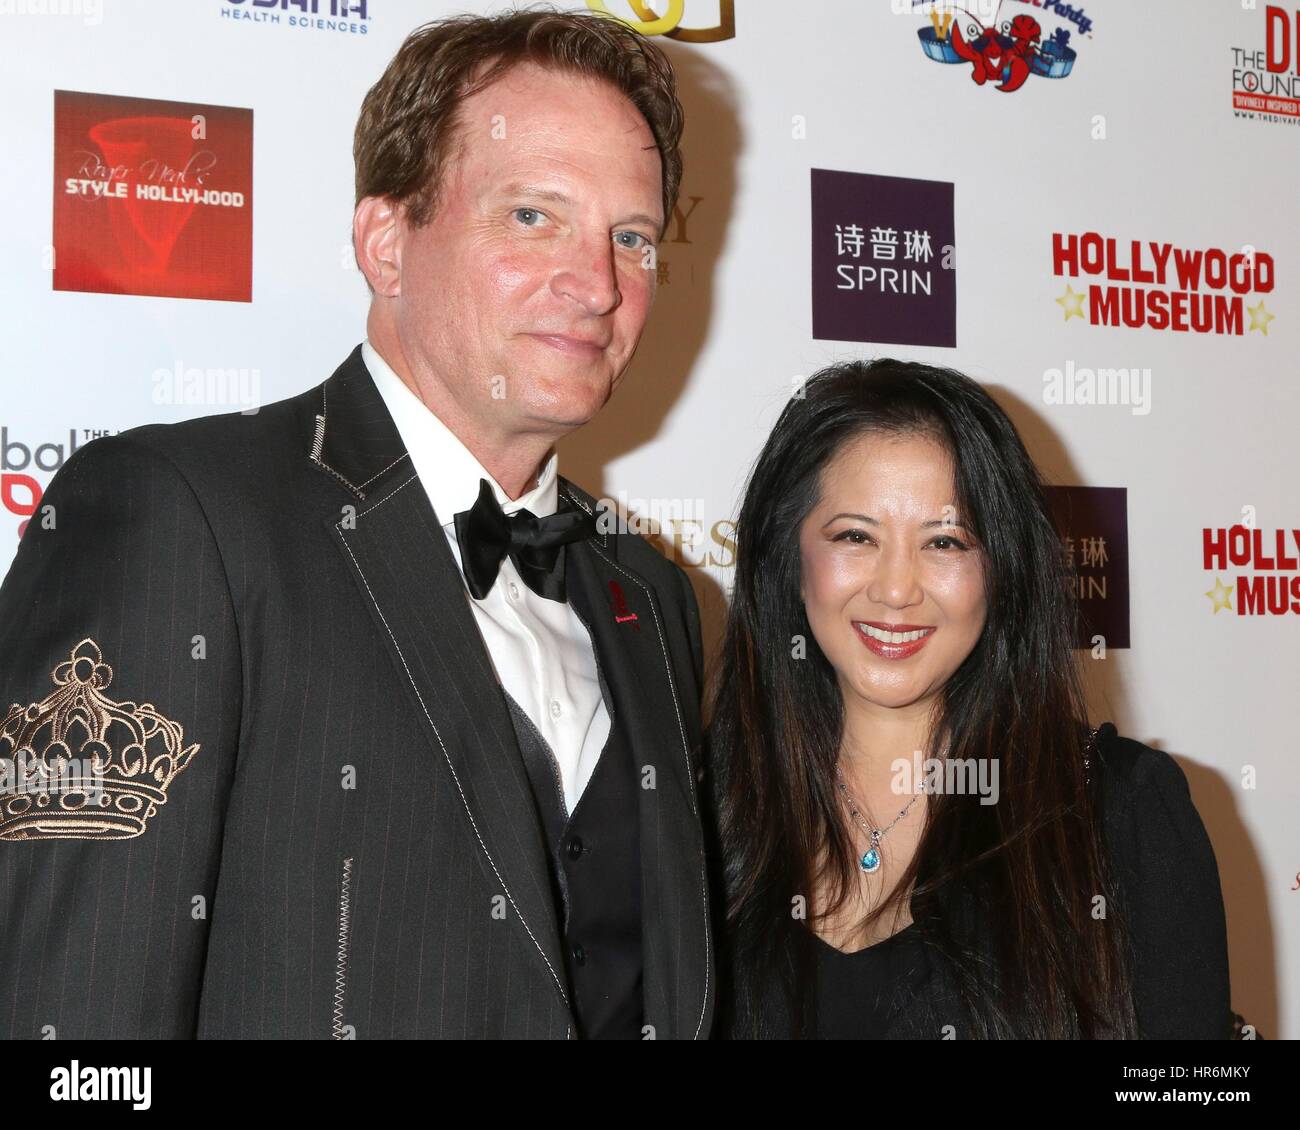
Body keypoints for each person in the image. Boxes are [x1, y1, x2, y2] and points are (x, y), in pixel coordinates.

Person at [0, 8, 713, 1040]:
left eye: (631, 237)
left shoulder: (647, 590)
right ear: (386, 241)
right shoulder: (177, 514)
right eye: (531, 216)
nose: (597, 284)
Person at [708, 359, 1232, 1039]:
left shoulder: (1123, 813)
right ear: (789, 557)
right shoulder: (702, 815)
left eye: (945, 541)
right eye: (855, 536)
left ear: (1000, 570)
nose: (897, 589)